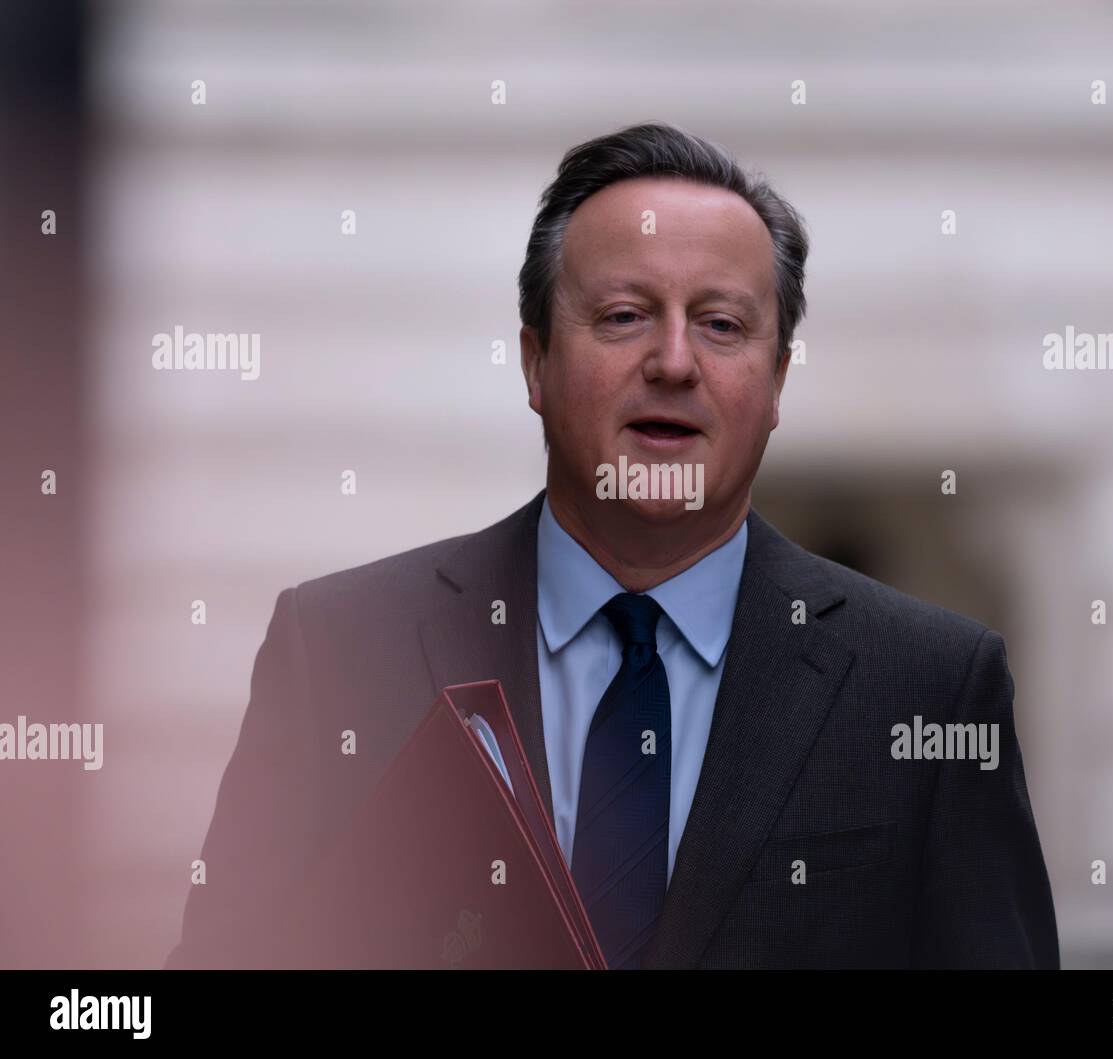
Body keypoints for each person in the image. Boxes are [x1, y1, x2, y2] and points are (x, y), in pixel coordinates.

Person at [167, 121, 1058, 970]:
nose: (674, 361)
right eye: (626, 315)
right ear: (535, 363)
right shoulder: (340, 649)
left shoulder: (930, 681)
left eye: (721, 324)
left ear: (778, 379)